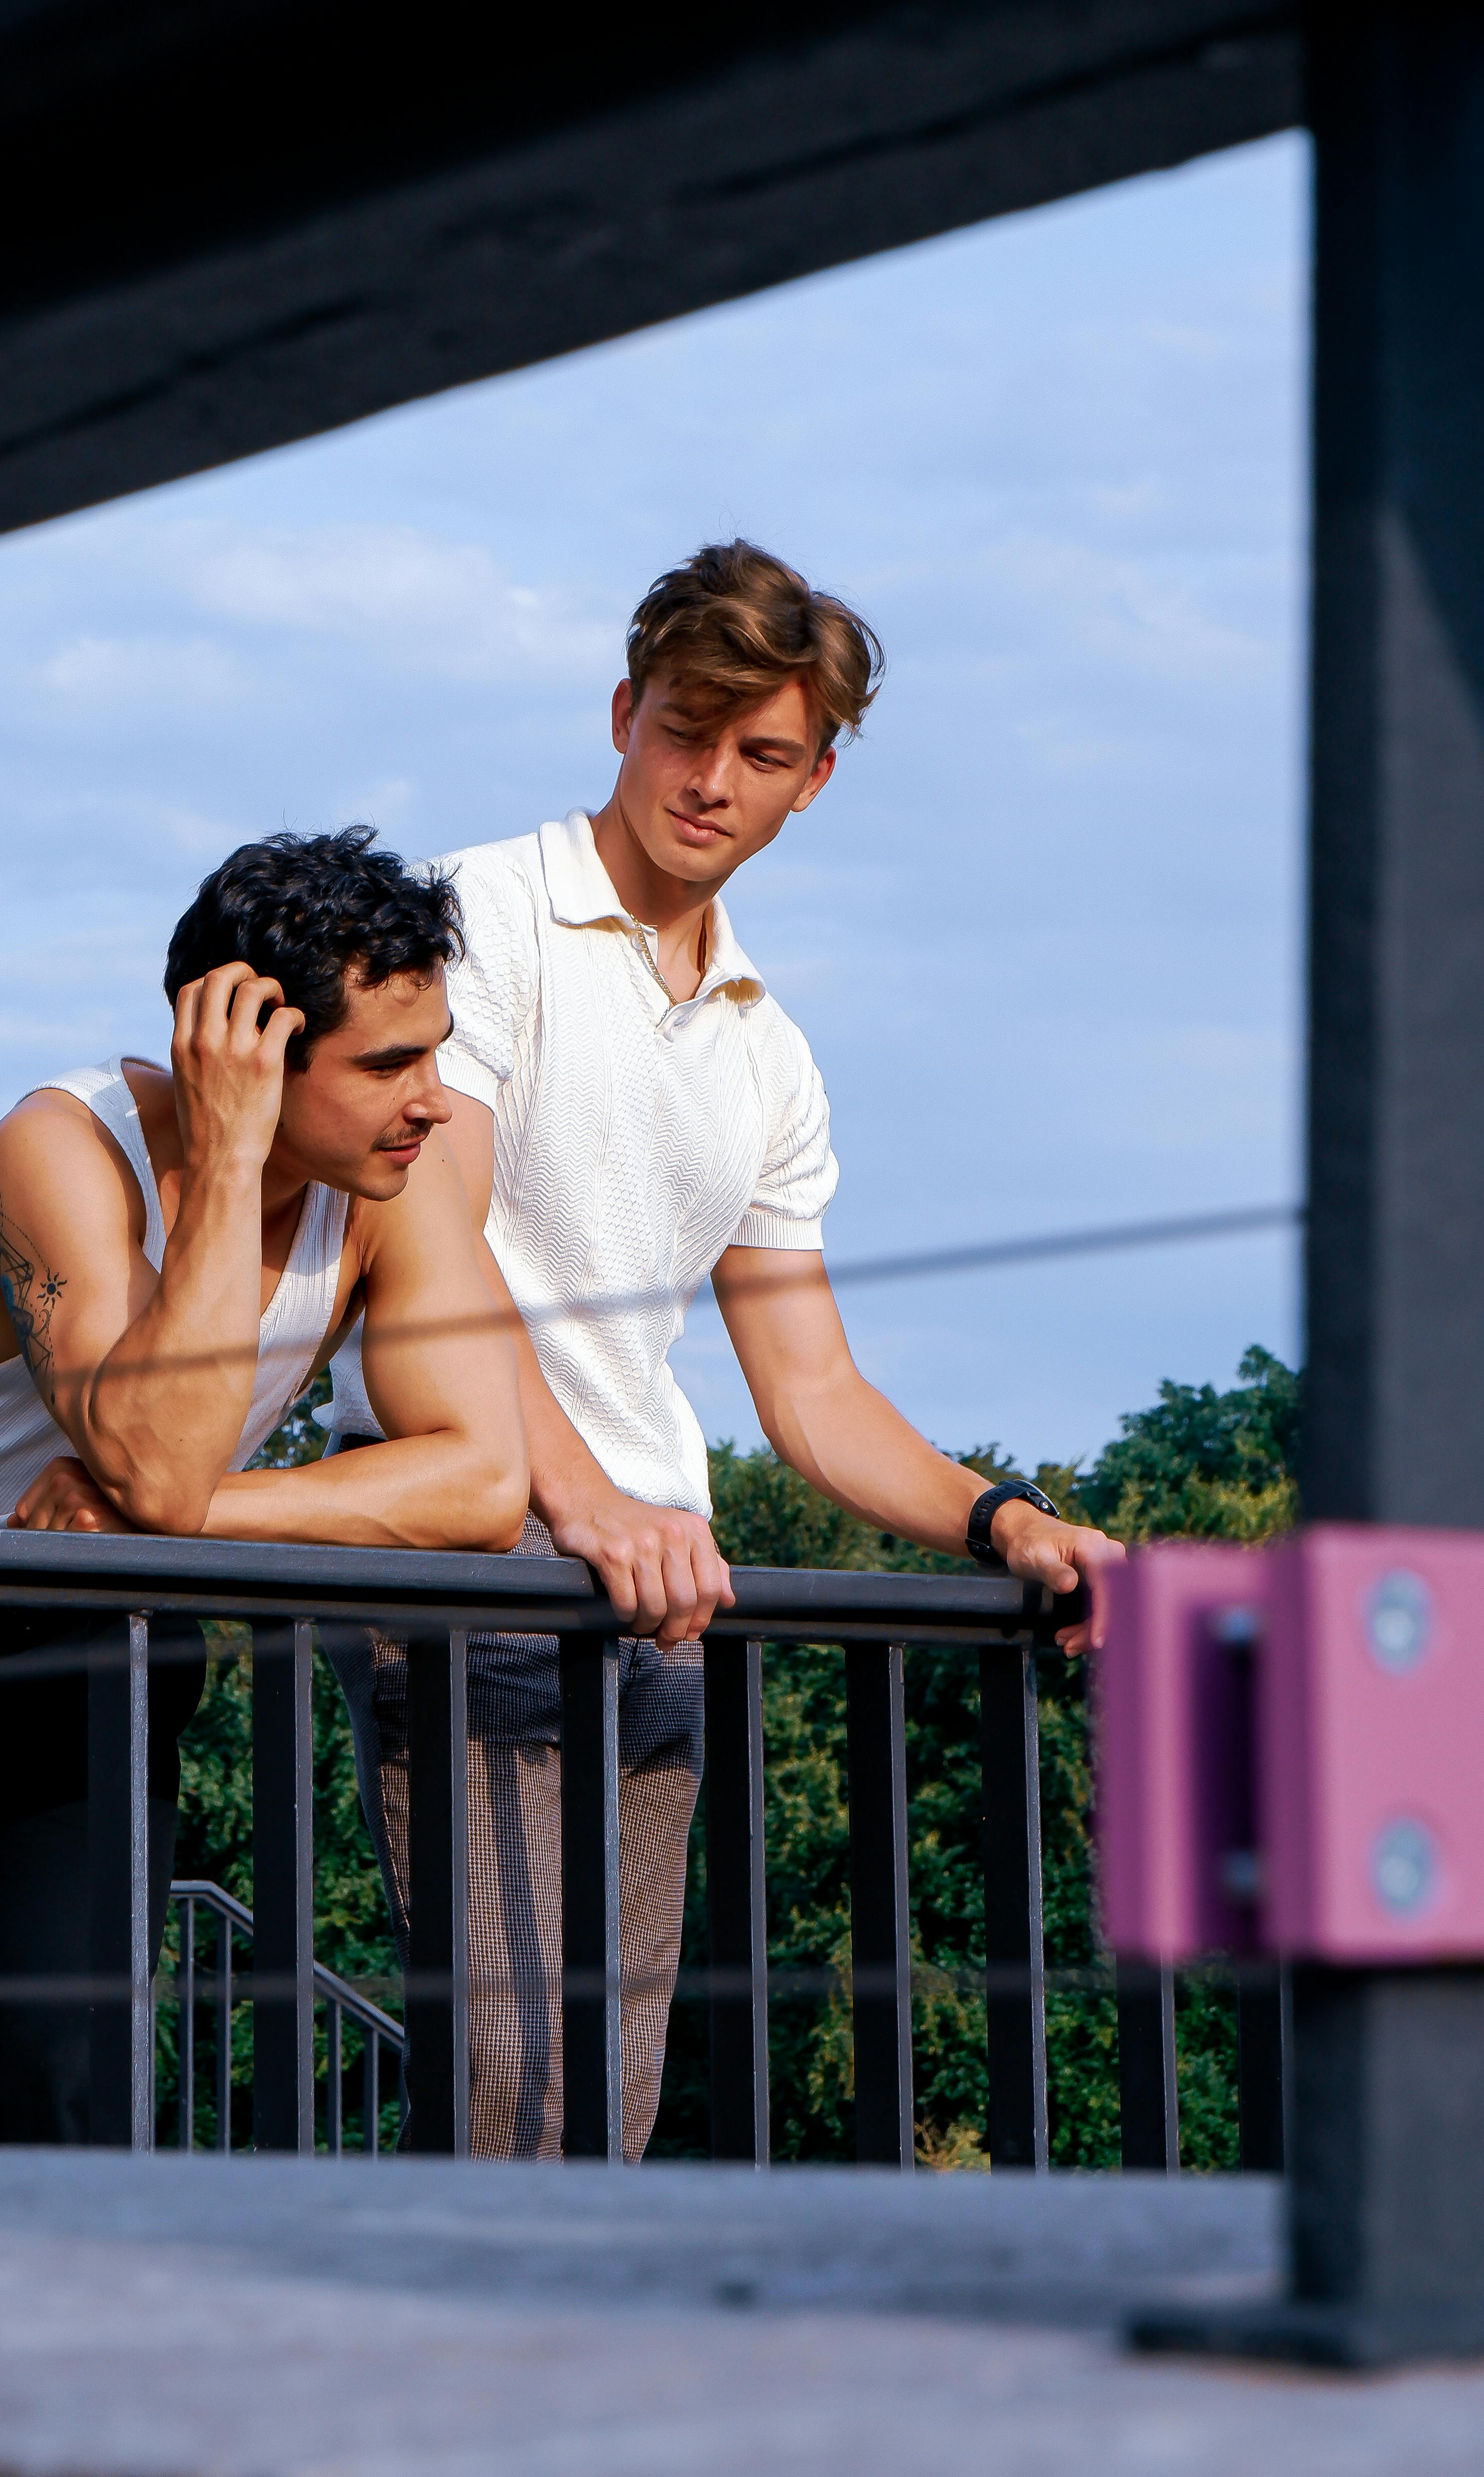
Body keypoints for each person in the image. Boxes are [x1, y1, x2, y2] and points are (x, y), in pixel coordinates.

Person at [322, 540, 1125, 2158]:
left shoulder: (769, 1047)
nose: (712, 780)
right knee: (512, 2101)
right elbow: (433, 1251)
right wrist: (584, 1503)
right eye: (689, 728)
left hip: (659, 1603)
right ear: (623, 713)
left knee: (602, 2113)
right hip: (479, 1562)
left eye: (763, 753)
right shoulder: (488, 918)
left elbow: (812, 1392)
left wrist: (1005, 1521)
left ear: (814, 780)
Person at [0, 826, 525, 2143]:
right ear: (240, 1052)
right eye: (392, 1063)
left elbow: (480, 1482)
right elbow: (165, 1465)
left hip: (92, 1602)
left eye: (441, 1053)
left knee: (71, 2079)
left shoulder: (395, 1183)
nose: (435, 1101)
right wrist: (233, 1159)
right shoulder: (59, 1151)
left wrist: (191, 1518)